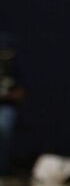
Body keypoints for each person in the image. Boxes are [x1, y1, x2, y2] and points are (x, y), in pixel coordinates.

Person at [0, 33, 24, 178]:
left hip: (6, 106)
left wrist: (5, 96)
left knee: (3, 125)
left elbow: (21, 93)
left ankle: (1, 169)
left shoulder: (15, 67)